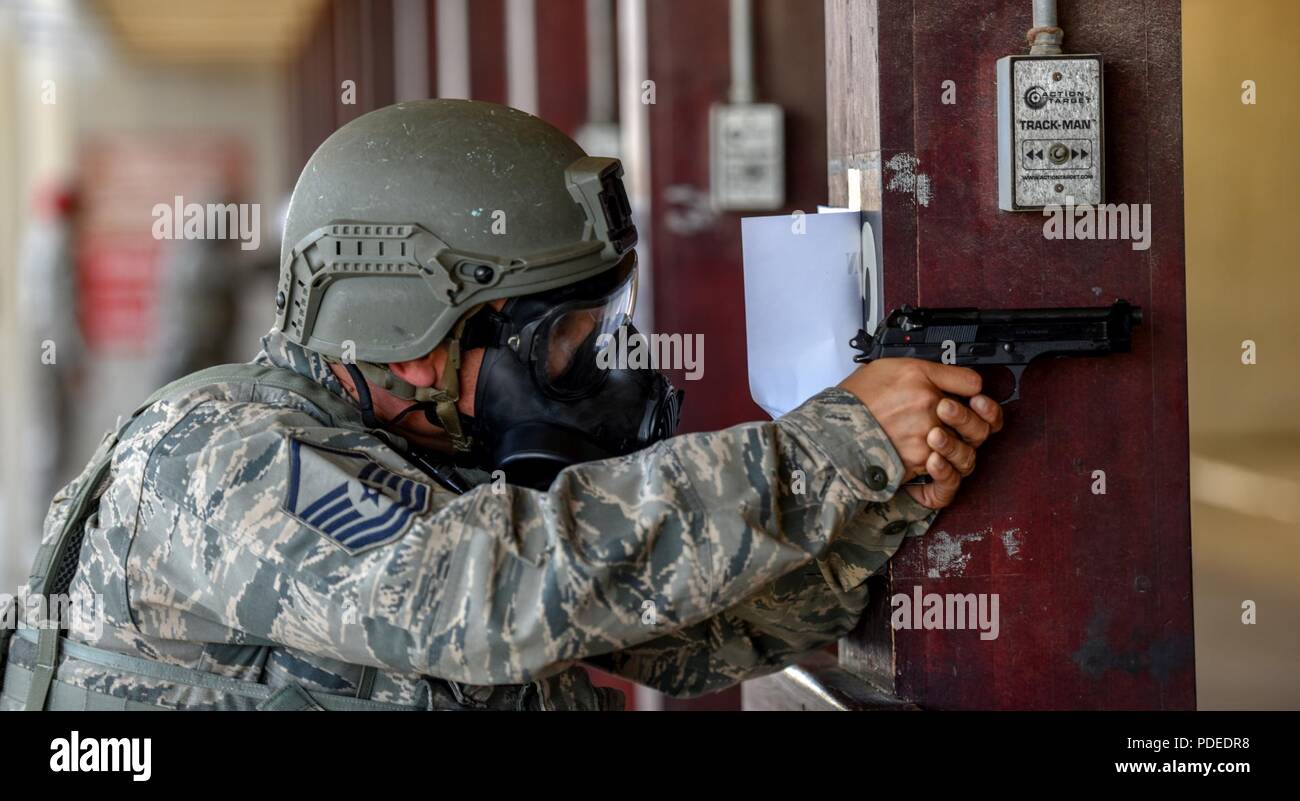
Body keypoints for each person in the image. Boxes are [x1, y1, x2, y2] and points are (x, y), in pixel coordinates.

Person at [0, 100, 1001, 711]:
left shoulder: (415, 458)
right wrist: (824, 451)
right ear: (421, 331)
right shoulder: (221, 457)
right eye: (559, 340)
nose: (584, 372)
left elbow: (694, 635)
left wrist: (886, 487)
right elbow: (476, 593)